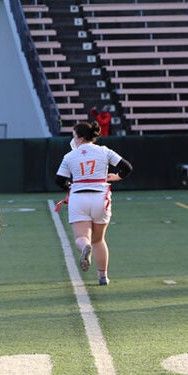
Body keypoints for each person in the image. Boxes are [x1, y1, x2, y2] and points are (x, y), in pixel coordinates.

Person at [55, 120, 133, 286]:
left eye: (74, 136)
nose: (73, 139)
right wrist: (117, 176)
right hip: (100, 197)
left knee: (81, 237)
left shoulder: (69, 156)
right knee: (99, 240)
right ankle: (103, 276)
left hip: (79, 197)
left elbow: (60, 180)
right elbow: (127, 168)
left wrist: (72, 185)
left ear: (81, 138)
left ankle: (84, 248)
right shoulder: (104, 151)